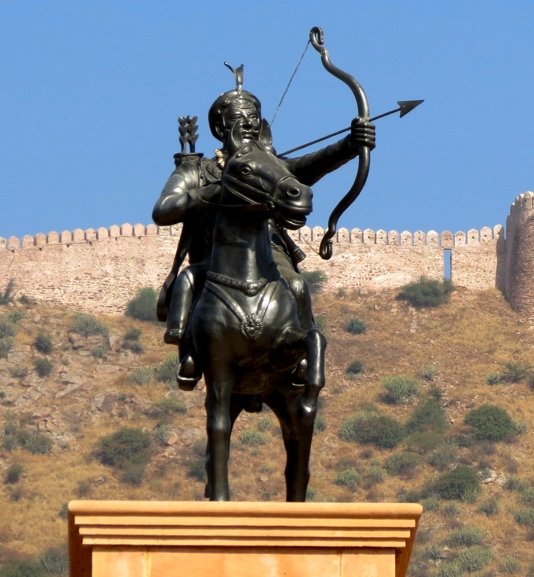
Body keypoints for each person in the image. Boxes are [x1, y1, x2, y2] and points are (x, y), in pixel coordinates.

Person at [152, 68, 375, 386]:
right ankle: (188, 350)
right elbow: (163, 210)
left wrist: (350, 145)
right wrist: (213, 190)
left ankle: (298, 353)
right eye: (239, 116)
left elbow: (305, 168)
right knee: (189, 281)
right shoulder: (199, 170)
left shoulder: (269, 165)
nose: (248, 121)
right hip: (216, 255)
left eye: (254, 115)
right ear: (220, 126)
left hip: (267, 252)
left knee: (296, 286)